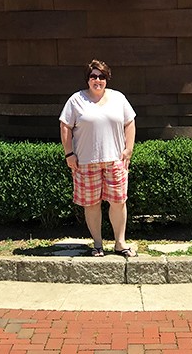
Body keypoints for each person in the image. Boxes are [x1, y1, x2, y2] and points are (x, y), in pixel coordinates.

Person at [59, 59, 137, 257]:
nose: (97, 80)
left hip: (115, 160)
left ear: (107, 79)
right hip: (86, 161)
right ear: (88, 79)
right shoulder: (76, 100)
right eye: (93, 76)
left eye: (101, 76)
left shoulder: (118, 98)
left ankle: (120, 243)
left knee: (118, 202)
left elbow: (130, 122)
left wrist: (128, 150)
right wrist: (69, 153)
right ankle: (98, 244)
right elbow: (65, 126)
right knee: (91, 204)